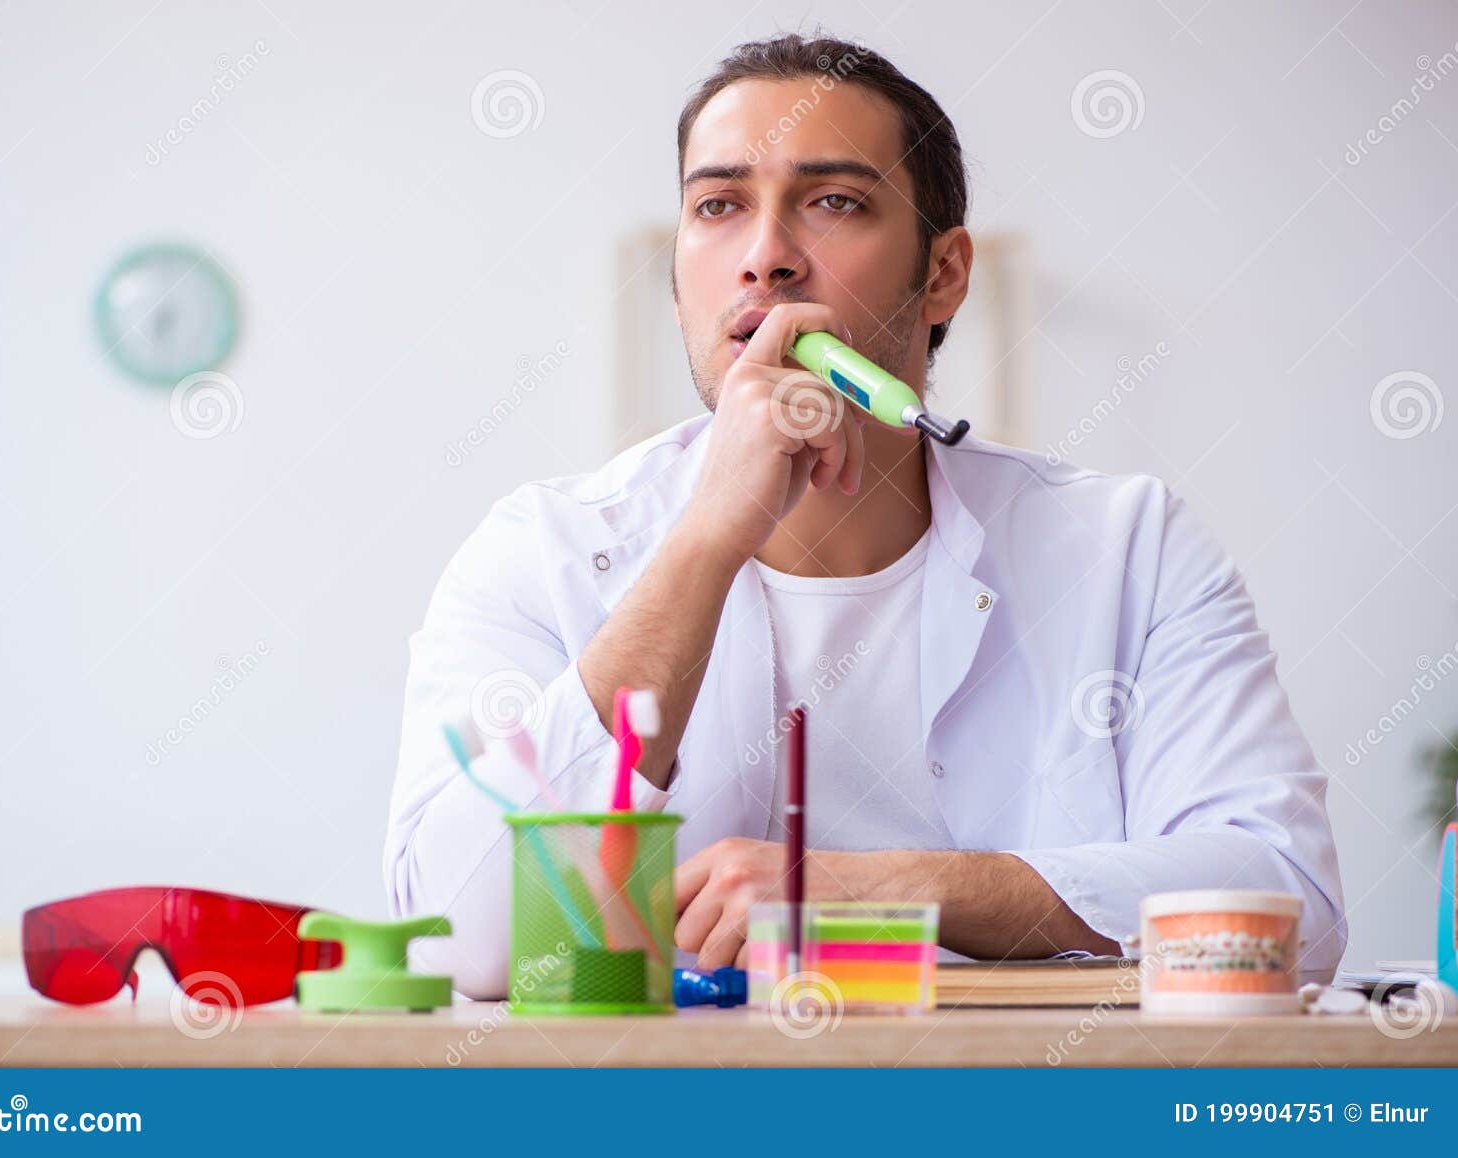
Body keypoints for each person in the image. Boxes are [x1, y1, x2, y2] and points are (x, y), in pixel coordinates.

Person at [384, 32, 1347, 997]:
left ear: (944, 275)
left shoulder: (1128, 546)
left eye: (833, 202)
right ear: (679, 273)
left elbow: (1285, 905)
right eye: (718, 206)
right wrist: (709, 538)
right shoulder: (543, 550)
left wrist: (873, 893)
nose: (764, 258)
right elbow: (460, 942)